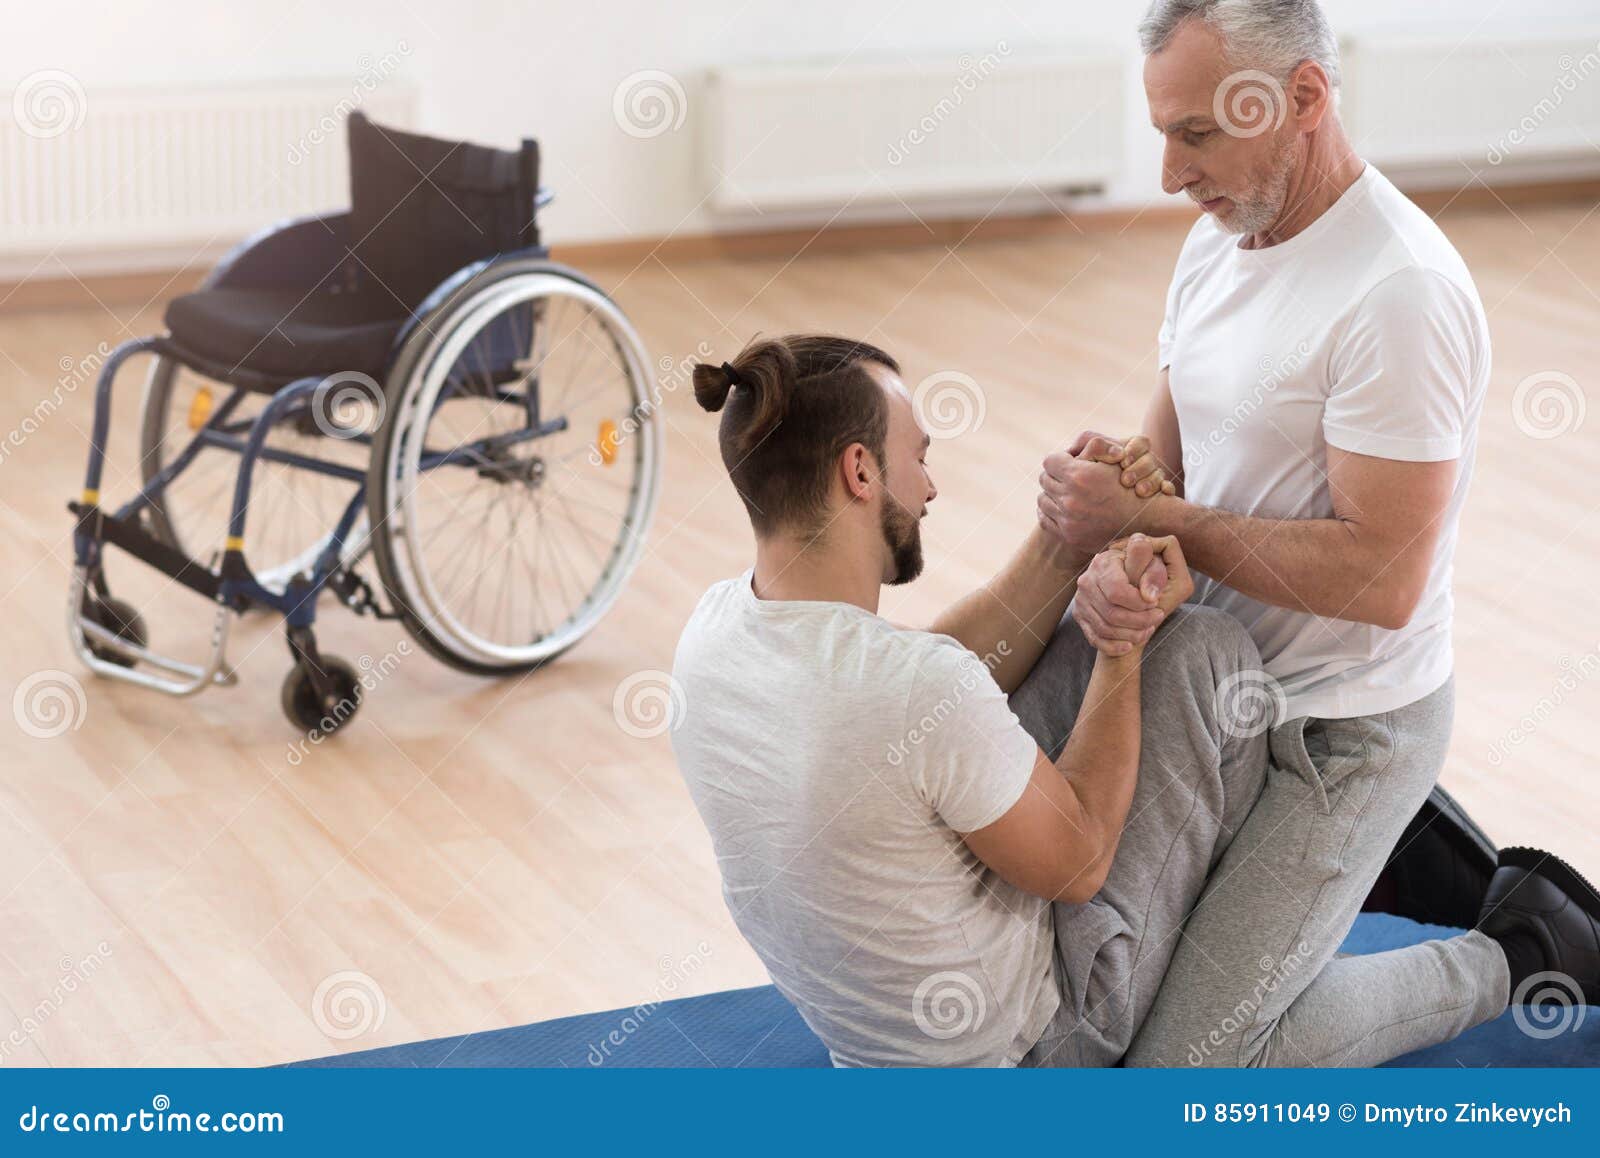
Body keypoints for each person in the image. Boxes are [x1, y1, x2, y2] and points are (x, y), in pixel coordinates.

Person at [668, 333, 1593, 1067]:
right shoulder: (916, 691)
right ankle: (1527, 950)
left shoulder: (715, 635)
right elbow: (1074, 863)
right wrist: (1116, 648)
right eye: (919, 459)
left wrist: (1068, 542)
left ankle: (1312, 843)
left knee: (1174, 650)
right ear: (860, 473)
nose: (933, 484)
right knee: (1204, 662)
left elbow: (931, 680)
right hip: (1040, 1052)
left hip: (879, 1032)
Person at [1036, 0, 1600, 1065]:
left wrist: (1158, 521)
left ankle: (1523, 954)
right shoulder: (1220, 243)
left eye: (1195, 134)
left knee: (1185, 1079)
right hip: (1216, 695)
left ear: (1301, 98)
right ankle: (1399, 865)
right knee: (1089, 1027)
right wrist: (1120, 537)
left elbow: (1383, 577)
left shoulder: (1399, 293)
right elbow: (1170, 474)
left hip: (1343, 734)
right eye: (1161, 131)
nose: (1167, 174)